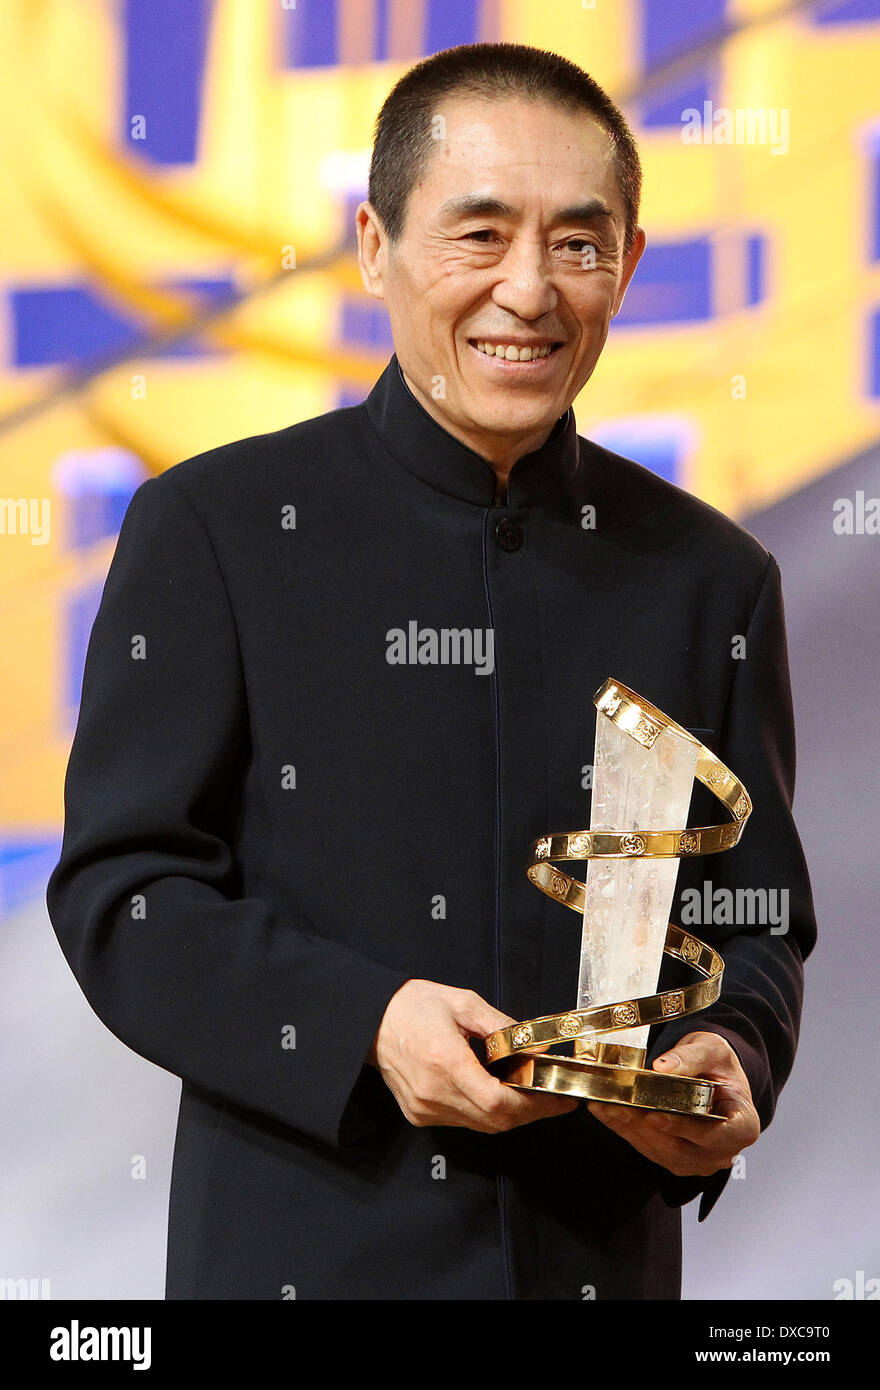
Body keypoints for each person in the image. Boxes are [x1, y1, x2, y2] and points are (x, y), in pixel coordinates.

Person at [46, 42, 816, 1300]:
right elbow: (128, 893)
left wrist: (735, 1046)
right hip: (303, 1249)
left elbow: (754, 913)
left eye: (578, 243)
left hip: (596, 1261)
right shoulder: (215, 531)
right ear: (373, 245)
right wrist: (363, 1024)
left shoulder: (711, 577)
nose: (529, 290)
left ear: (626, 261)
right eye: (478, 234)